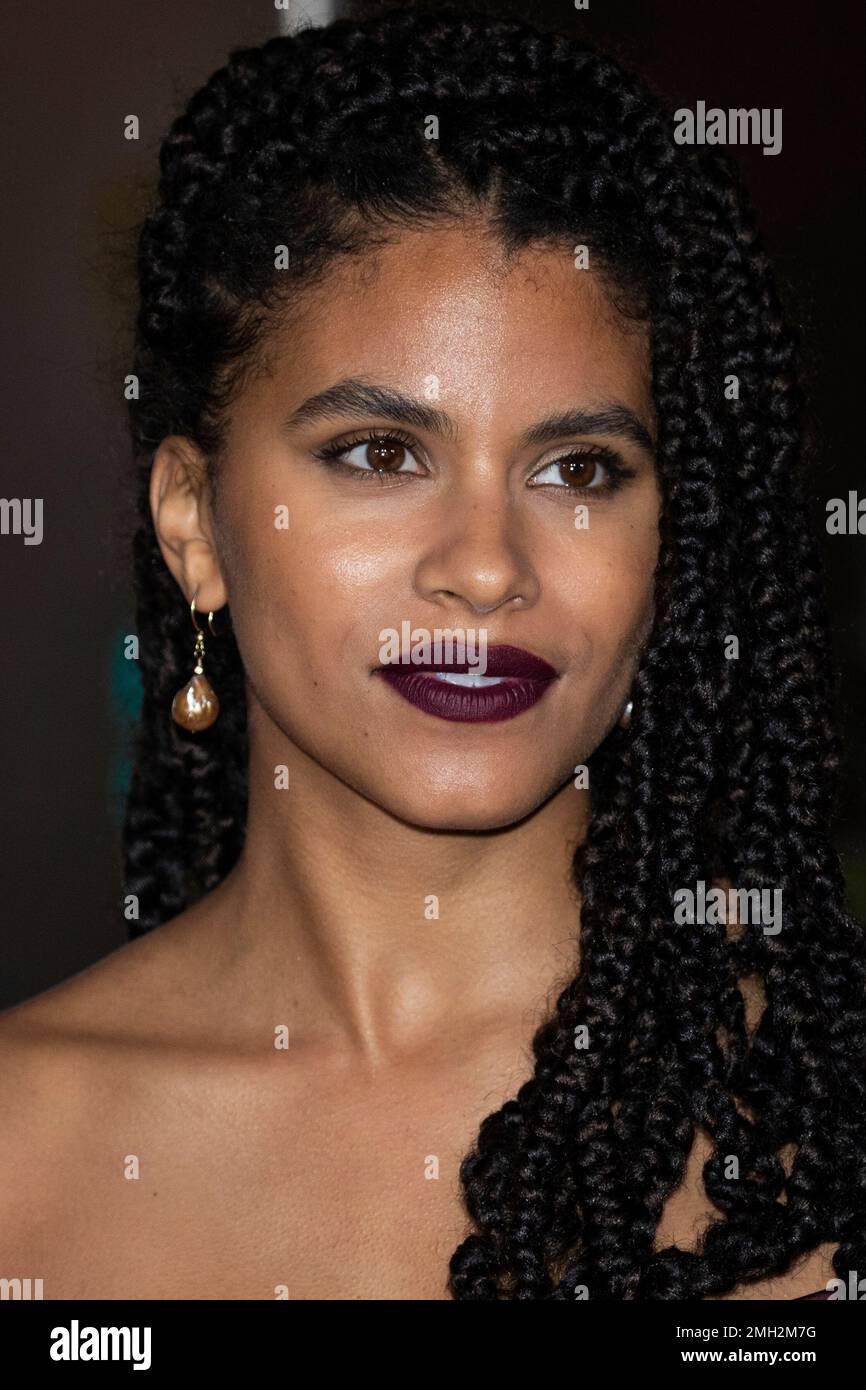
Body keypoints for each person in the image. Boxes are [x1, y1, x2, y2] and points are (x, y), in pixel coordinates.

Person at [0, 3, 862, 1301]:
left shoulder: (827, 1117)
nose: (484, 562)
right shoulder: (21, 1151)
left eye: (580, 468)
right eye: (379, 453)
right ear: (194, 523)